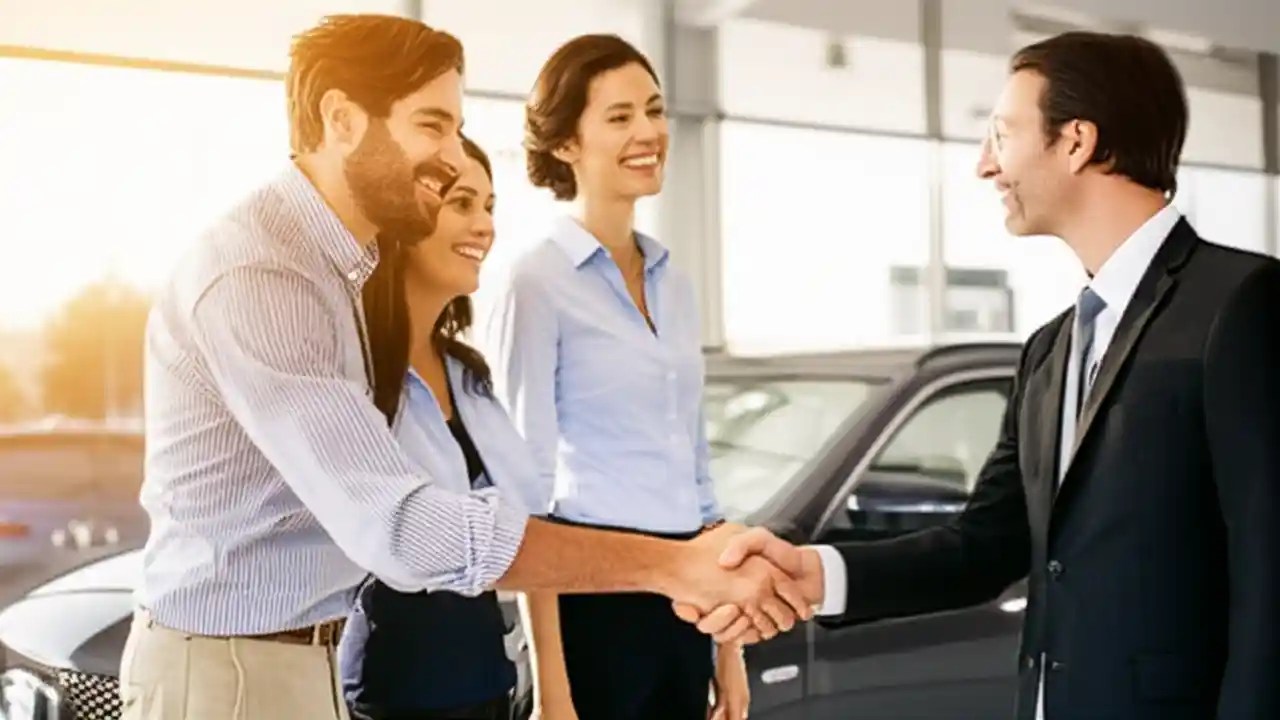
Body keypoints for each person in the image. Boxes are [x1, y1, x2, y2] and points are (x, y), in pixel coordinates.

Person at [123, 14, 811, 720]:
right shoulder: (264, 274)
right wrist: (671, 567)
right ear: (343, 120)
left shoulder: (335, 277)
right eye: (433, 126)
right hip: (232, 673)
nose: (454, 156)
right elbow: (402, 528)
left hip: (296, 659)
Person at [679, 31, 1280, 720]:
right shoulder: (1051, 350)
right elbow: (982, 547)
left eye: (1001, 134)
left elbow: (1270, 576)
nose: (985, 167)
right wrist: (811, 573)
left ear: (1077, 141)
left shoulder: (1241, 304)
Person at [486, 34, 752, 720]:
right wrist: (552, 683)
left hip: (686, 596)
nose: (649, 132)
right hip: (592, 604)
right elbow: (525, 497)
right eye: (619, 117)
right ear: (567, 144)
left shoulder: (674, 281)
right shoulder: (535, 282)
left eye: (655, 110)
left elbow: (696, 476)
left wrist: (728, 646)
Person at [337, 136, 527, 720]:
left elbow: (528, 521)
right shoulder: (354, 370)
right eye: (463, 203)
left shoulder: (469, 375)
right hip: (393, 690)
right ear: (409, 211)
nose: (485, 225)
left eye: (490, 206)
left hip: (487, 678)